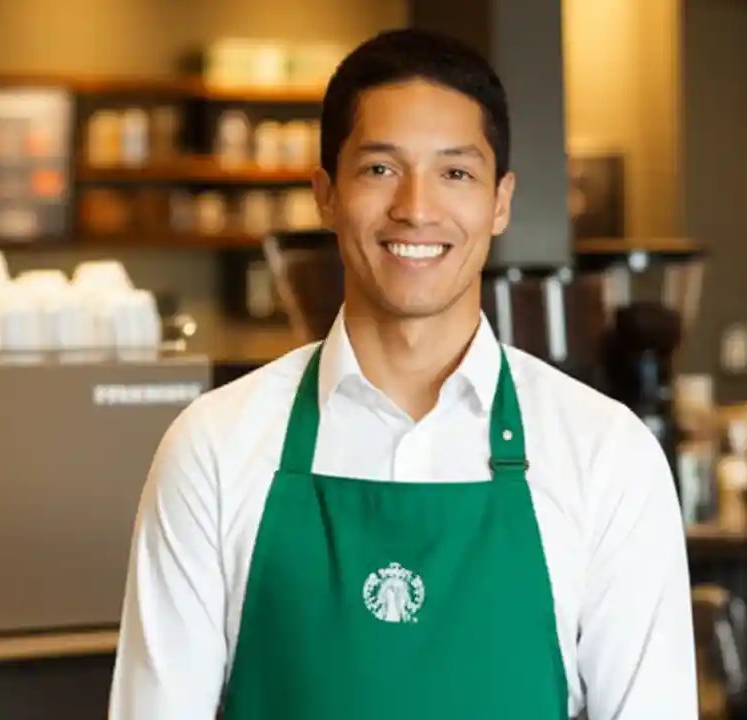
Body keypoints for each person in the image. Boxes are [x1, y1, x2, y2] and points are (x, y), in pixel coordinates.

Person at [109, 28, 697, 720]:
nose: (416, 207)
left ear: (500, 201)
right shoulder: (213, 447)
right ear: (325, 194)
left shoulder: (605, 455)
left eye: (455, 172)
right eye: (380, 169)